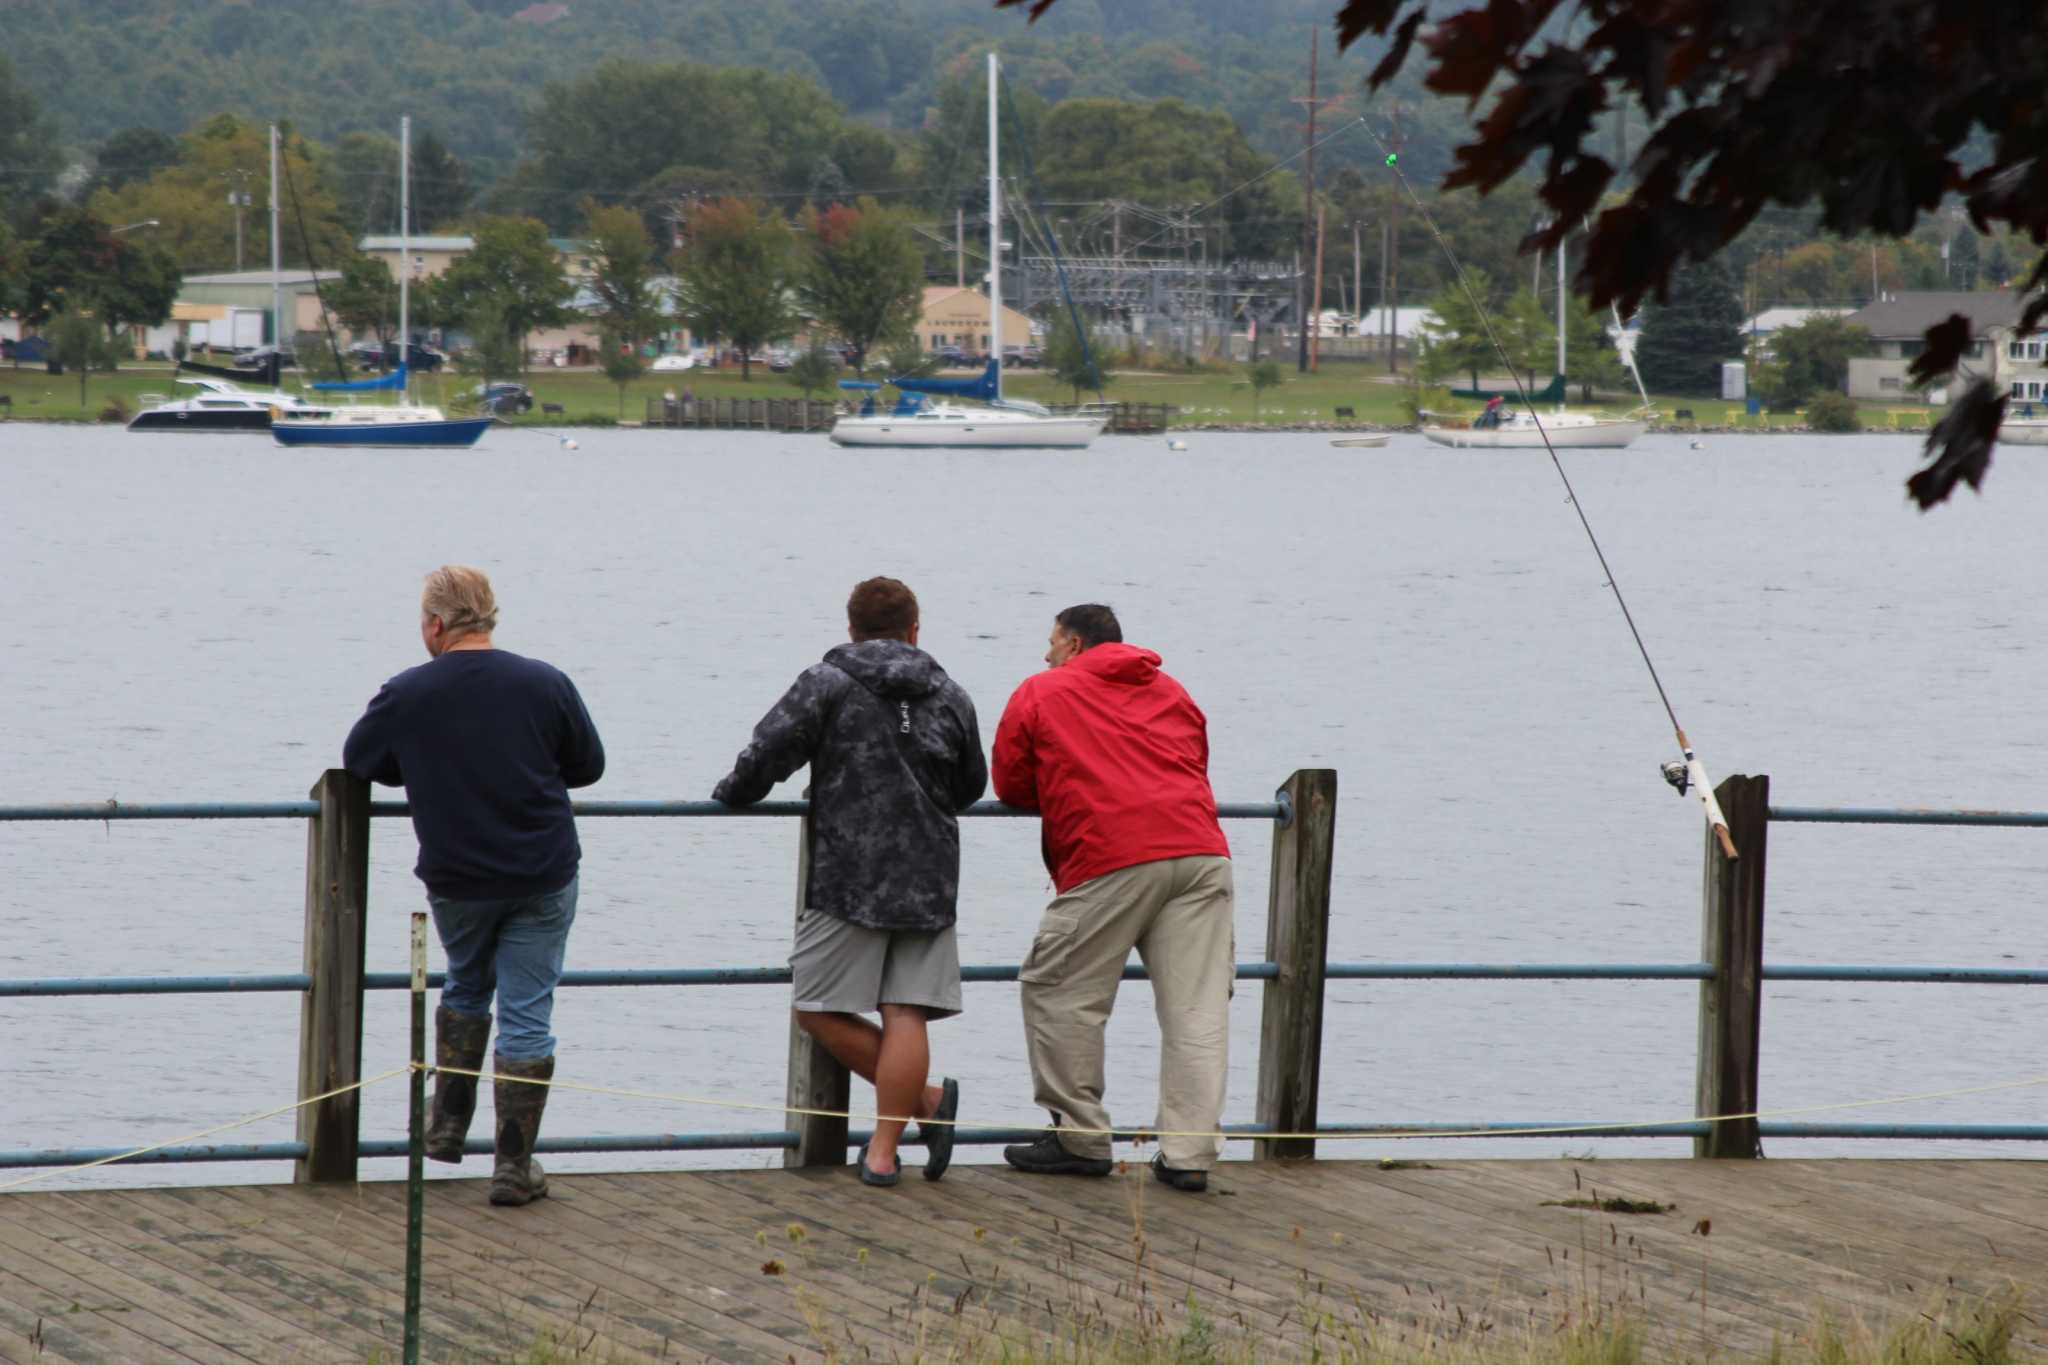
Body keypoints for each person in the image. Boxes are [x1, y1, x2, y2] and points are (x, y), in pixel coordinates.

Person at [342, 566, 604, 1207]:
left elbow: (361, 762)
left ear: (435, 624)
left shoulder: (407, 693)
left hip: (458, 876)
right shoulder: (544, 682)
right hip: (542, 870)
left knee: (465, 981)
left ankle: (448, 1122)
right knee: (527, 1011)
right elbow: (588, 765)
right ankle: (514, 1165)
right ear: (489, 616)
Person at [713, 577, 986, 1186]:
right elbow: (970, 784)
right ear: (916, 630)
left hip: (848, 874)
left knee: (816, 1006)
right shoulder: (951, 691)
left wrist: (733, 794)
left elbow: (766, 755)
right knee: (906, 1010)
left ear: (852, 630)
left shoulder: (827, 681)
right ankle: (887, 1151)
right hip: (931, 874)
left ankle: (928, 1106)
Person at [992, 604, 1233, 1193]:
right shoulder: (1173, 690)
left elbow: (1012, 783)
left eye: (1050, 642)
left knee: (1059, 989)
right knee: (1197, 1009)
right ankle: (1189, 1153)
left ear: (1074, 644)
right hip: (1201, 852)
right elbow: (1194, 761)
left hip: (1111, 853)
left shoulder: (1043, 692)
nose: (1044, 653)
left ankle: (1080, 1135)